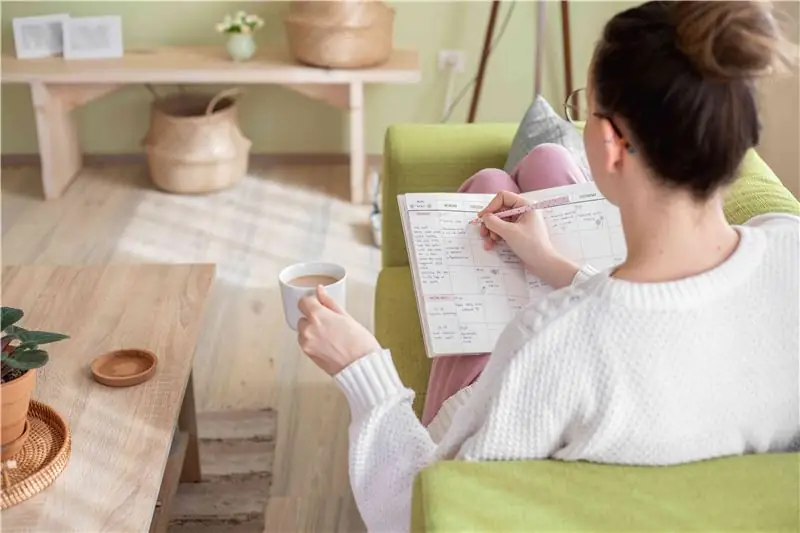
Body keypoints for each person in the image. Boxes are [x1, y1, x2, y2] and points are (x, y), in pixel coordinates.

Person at [296, 2, 800, 531]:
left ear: (609, 143)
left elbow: (420, 508)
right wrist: (555, 265)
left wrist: (360, 367)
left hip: (503, 405)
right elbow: (668, 329)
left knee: (489, 188)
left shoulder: (550, 346)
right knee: (527, 177)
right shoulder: (788, 247)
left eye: (583, 109)